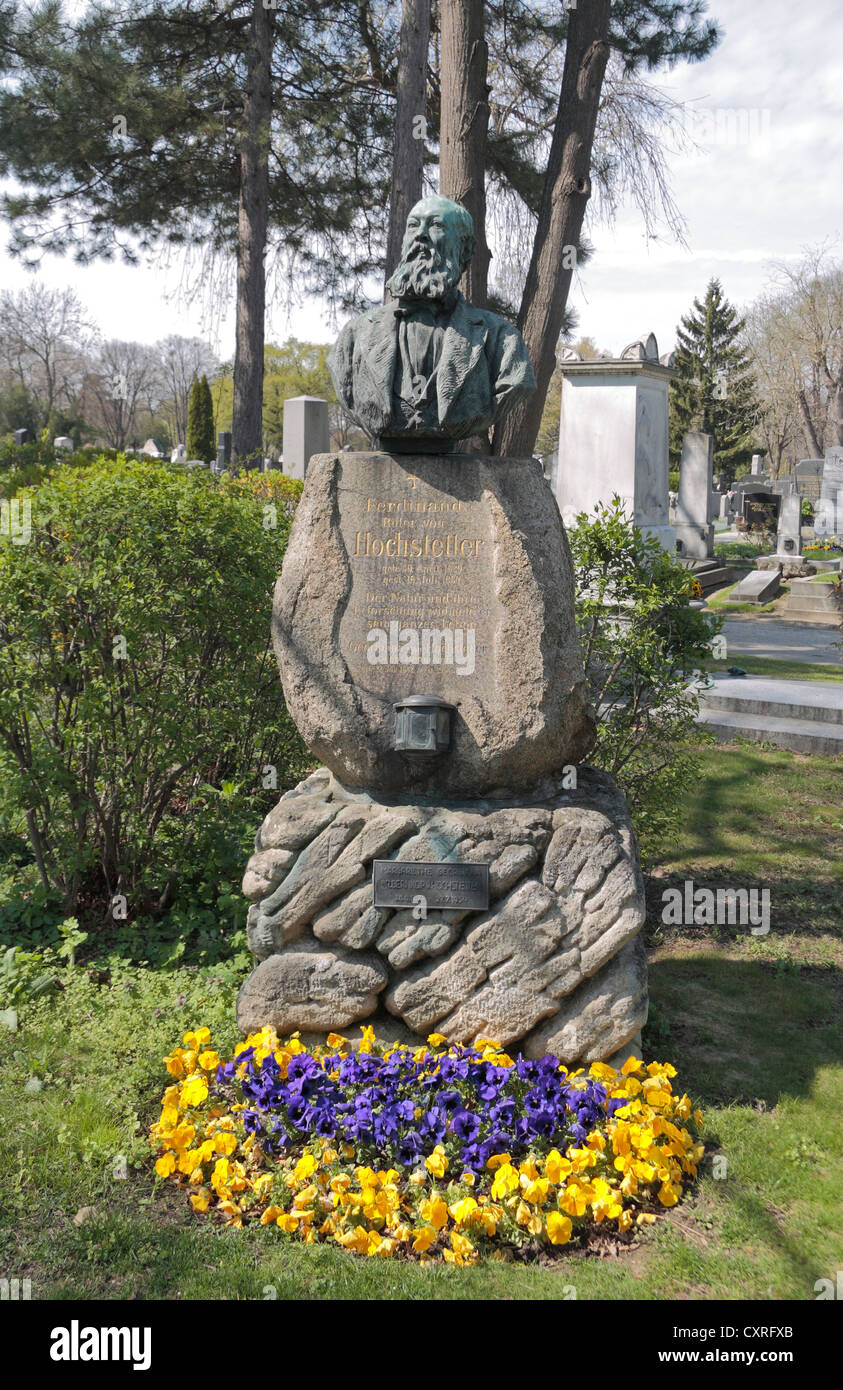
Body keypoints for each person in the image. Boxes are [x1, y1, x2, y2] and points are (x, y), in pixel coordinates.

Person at [328, 195, 535, 454]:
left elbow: (517, 384)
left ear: (466, 249)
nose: (421, 235)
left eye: (436, 225)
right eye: (413, 226)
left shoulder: (502, 340)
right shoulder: (354, 336)